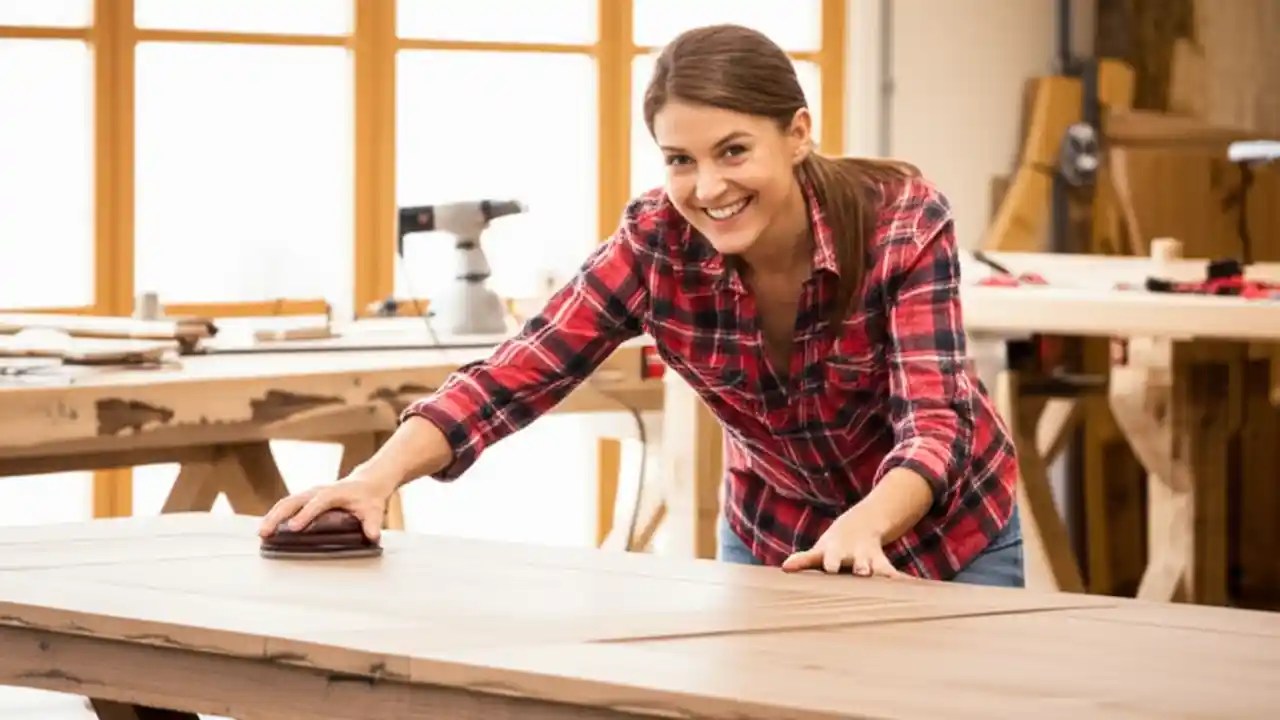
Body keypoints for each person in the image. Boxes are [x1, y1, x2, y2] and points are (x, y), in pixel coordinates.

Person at [258, 24, 1024, 587]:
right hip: (776, 538)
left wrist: (866, 523)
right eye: (680, 161)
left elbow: (935, 420)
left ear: (796, 135)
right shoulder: (657, 243)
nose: (708, 189)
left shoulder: (903, 222)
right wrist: (375, 477)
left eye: (733, 151)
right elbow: (516, 374)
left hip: (943, 536)